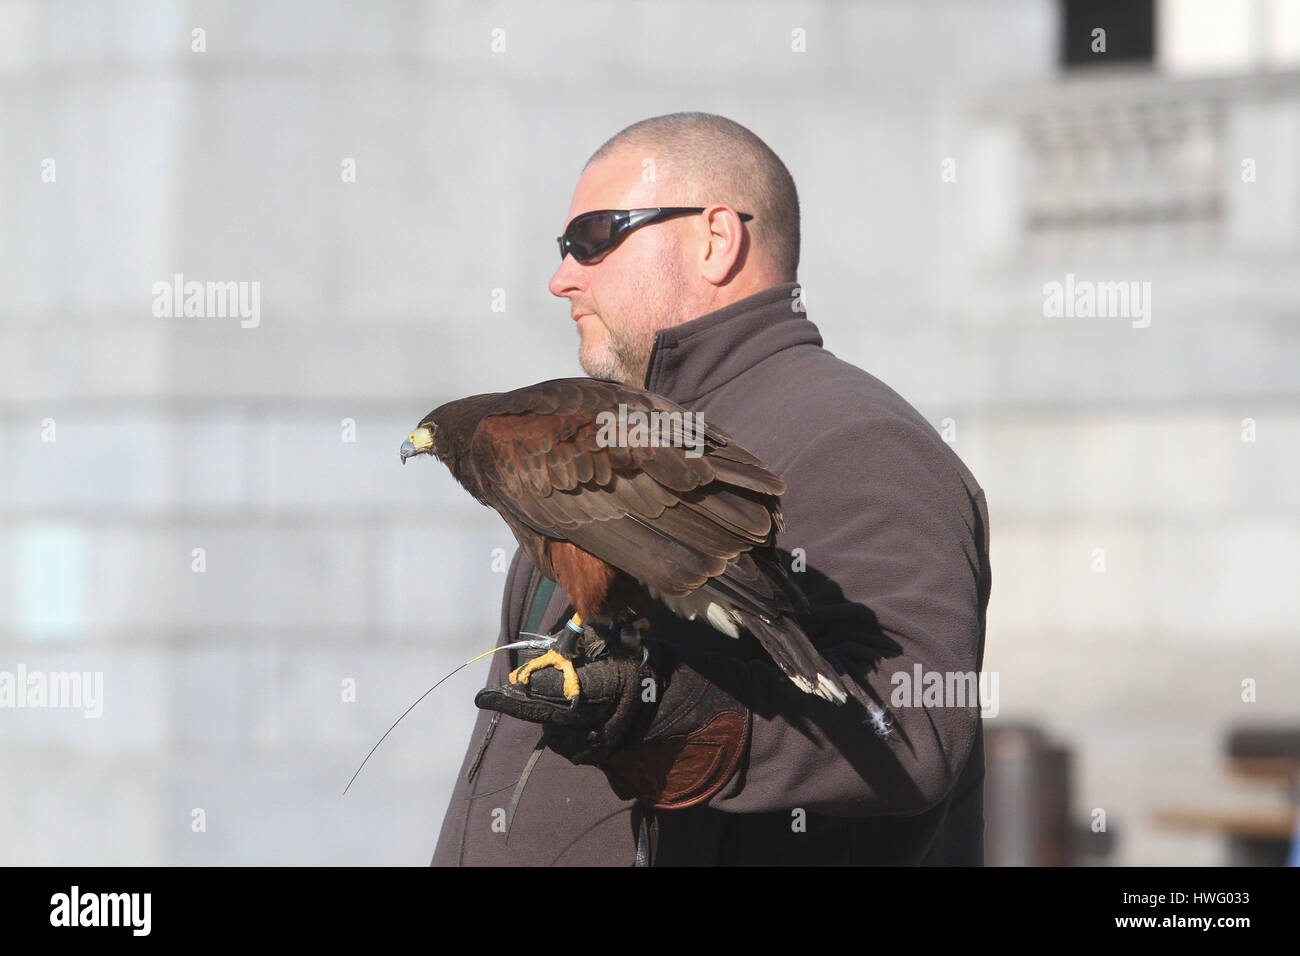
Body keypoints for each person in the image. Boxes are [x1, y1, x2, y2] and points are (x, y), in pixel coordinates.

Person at [431, 112, 991, 865]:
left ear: (716, 238)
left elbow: (917, 730)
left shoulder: (857, 440)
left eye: (594, 238)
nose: (562, 276)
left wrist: (666, 710)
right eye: (564, 249)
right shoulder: (587, 441)